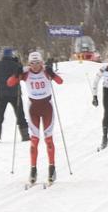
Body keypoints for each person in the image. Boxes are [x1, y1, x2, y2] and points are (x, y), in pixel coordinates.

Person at [6, 52, 65, 185]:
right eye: (32, 63)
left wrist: (52, 74)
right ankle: (33, 170)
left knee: (48, 140)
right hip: (33, 108)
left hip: (47, 107)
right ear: (29, 63)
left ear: (41, 62)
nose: (35, 66)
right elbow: (9, 83)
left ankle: (52, 168)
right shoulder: (26, 73)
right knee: (34, 140)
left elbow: (60, 82)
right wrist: (16, 74)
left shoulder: (46, 71)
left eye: (37, 63)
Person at [0, 48, 29, 143]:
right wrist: (18, 63)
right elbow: (21, 74)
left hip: (1, 94)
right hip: (14, 93)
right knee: (20, 115)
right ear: (11, 55)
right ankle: (25, 135)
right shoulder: (15, 65)